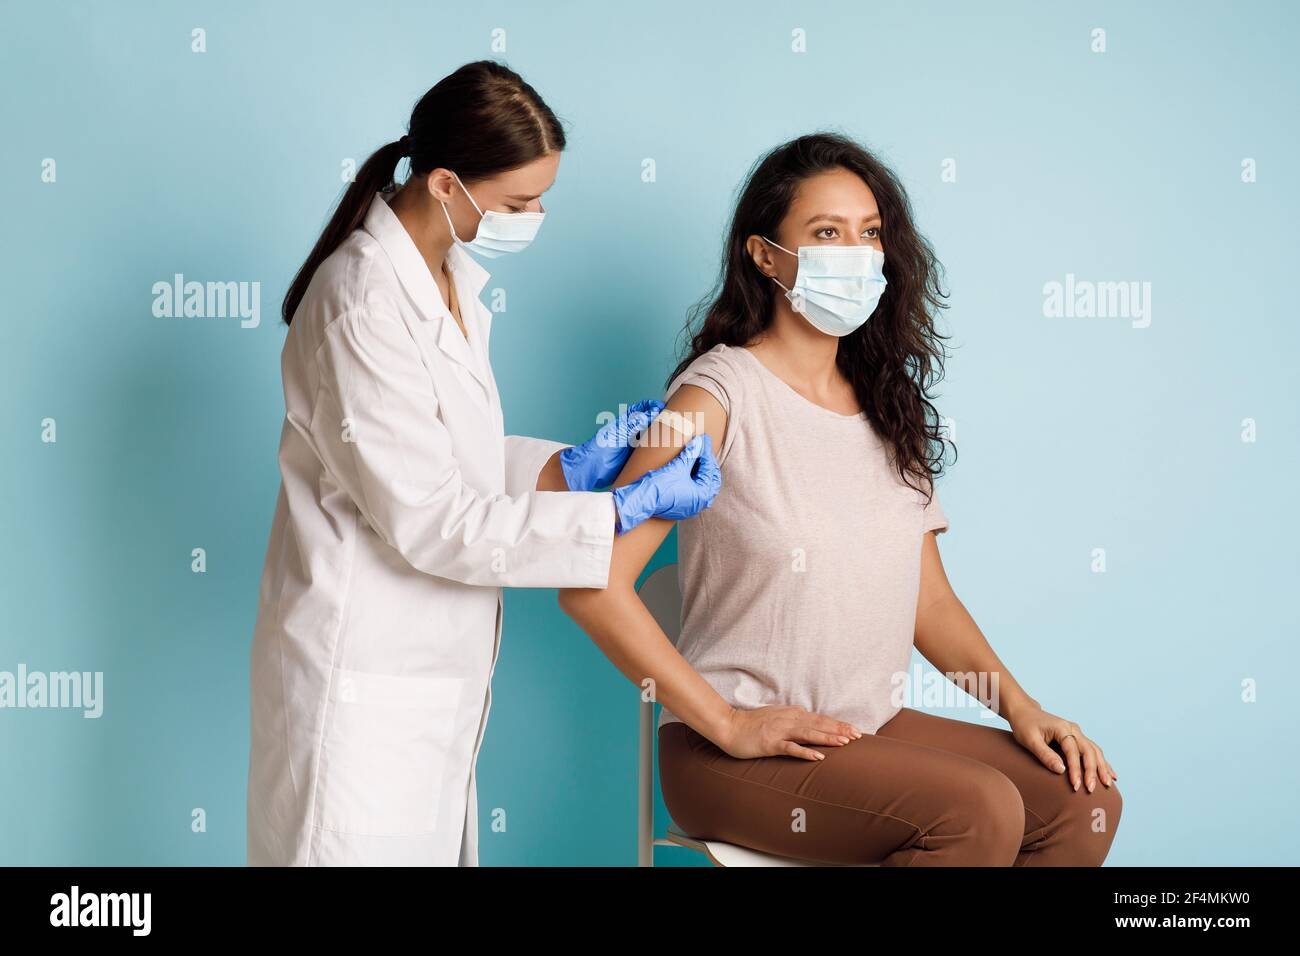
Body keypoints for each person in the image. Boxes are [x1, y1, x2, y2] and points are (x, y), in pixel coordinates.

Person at [559, 133, 1122, 865]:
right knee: (975, 812)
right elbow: (592, 583)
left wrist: (1022, 708)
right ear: (765, 255)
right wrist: (728, 723)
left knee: (1083, 803)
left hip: (865, 729)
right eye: (826, 233)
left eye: (869, 234)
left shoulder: (889, 409)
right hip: (730, 756)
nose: (855, 255)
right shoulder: (714, 397)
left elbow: (931, 605)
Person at [247, 61, 720, 867]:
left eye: (540, 199)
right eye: (516, 203)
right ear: (443, 183)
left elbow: (447, 457)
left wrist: (576, 467)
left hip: (428, 690)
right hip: (360, 686)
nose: (533, 218)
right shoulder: (360, 299)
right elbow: (430, 520)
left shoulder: (447, 279)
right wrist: (617, 514)